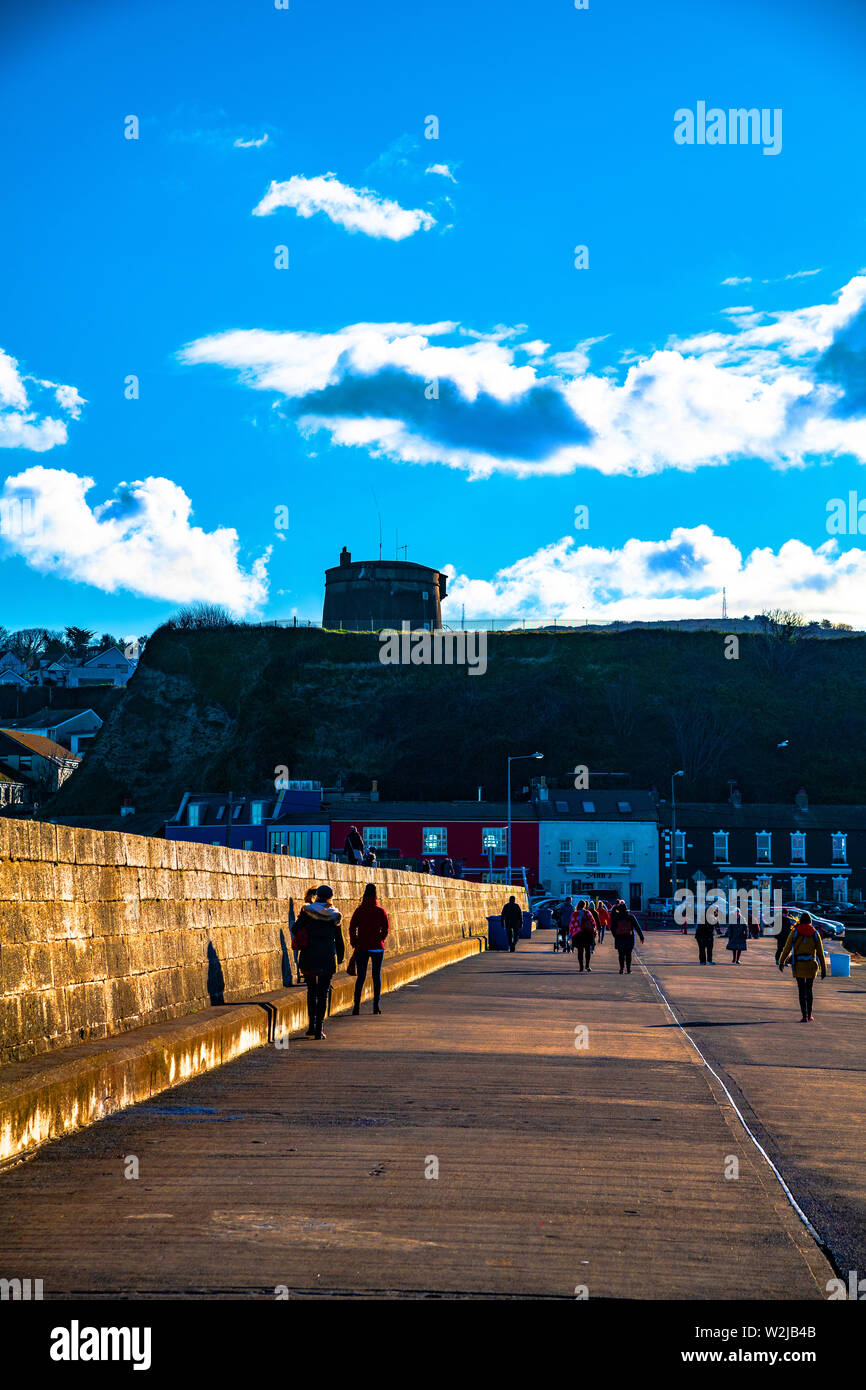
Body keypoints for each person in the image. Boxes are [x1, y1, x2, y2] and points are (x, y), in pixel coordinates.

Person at [294, 885, 345, 1039]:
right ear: (330, 897)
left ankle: (311, 1026)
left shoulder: (307, 911)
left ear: (317, 896)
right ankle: (319, 1028)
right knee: (323, 994)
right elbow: (339, 940)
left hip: (309, 955)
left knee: (311, 992)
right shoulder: (335, 915)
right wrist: (341, 957)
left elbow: (295, 929)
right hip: (327, 957)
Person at [778, 910, 826, 1022]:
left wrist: (781, 961)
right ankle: (810, 1015)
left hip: (799, 964)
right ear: (810, 921)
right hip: (811, 965)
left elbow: (787, 948)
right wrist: (824, 968)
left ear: (800, 920)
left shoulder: (795, 931)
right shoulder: (815, 933)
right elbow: (820, 952)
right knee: (809, 990)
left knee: (801, 990)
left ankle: (804, 1015)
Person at [349, 883, 389, 1015]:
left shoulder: (359, 910)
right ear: (376, 895)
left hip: (362, 947)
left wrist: (355, 942)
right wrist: (380, 939)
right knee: (376, 976)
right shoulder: (380, 911)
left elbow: (352, 927)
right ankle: (376, 1006)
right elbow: (385, 928)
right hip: (377, 948)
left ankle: (356, 1007)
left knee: (361, 977)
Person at [610, 899, 644, 974]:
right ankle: (628, 969)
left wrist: (615, 935)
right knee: (628, 954)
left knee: (621, 954)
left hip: (619, 937)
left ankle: (621, 968)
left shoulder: (616, 917)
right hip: (629, 938)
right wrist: (641, 937)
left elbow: (612, 927)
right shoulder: (631, 917)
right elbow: (637, 927)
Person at [570, 899, 597, 972]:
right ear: (584, 906)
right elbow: (593, 922)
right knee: (587, 950)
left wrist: (571, 934)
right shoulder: (587, 912)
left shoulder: (574, 914)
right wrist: (594, 931)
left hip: (578, 934)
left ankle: (581, 966)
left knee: (580, 950)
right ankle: (587, 965)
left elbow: (572, 924)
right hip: (587, 933)